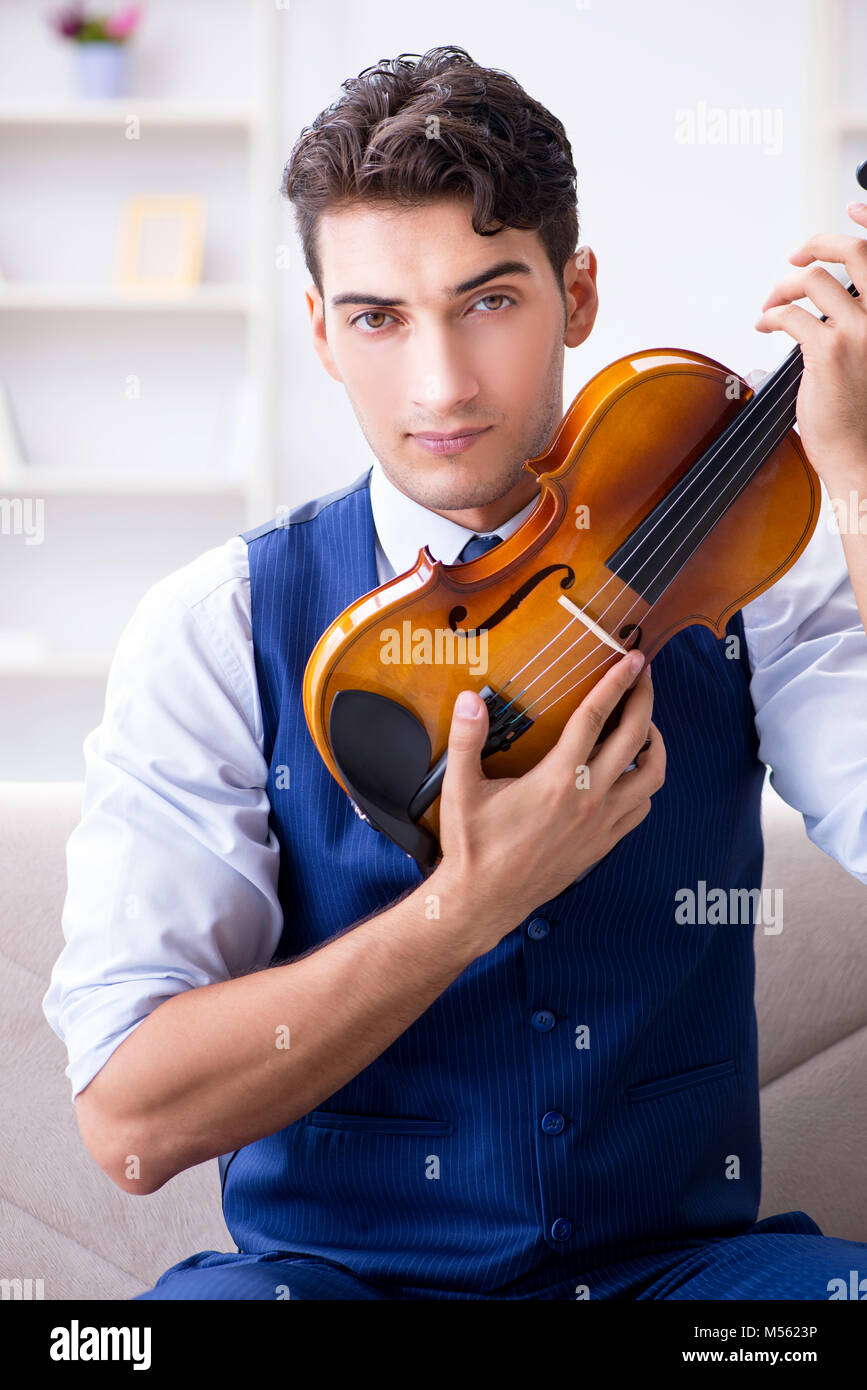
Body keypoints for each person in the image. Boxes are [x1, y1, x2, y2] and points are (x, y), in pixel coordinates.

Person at [43, 45, 867, 1301]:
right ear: (321, 330)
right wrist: (468, 905)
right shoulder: (215, 625)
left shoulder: (746, 564)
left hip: (680, 1289)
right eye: (379, 317)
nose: (442, 385)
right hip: (333, 1289)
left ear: (577, 296)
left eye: (490, 301)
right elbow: (130, 1129)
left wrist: (854, 479)